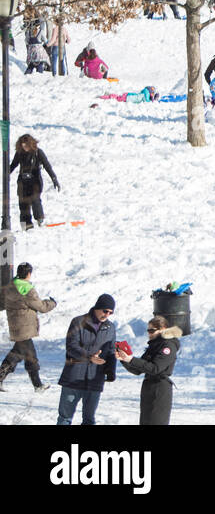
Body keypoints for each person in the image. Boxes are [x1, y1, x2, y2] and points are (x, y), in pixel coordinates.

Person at [57, 293, 116, 425]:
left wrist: (111, 370)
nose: (107, 315)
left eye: (110, 313)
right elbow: (71, 346)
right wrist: (89, 357)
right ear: (97, 307)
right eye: (105, 311)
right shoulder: (78, 322)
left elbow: (111, 351)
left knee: (89, 419)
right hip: (73, 377)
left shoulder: (110, 327)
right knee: (65, 417)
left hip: (95, 378)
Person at [114, 315, 182, 425]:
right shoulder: (155, 345)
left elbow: (155, 368)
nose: (149, 333)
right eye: (148, 330)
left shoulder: (168, 345)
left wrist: (131, 359)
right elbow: (138, 370)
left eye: (152, 330)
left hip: (160, 388)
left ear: (163, 329)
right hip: (149, 387)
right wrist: (124, 359)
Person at [0, 262, 56, 392]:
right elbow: (42, 307)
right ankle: (37, 385)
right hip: (25, 328)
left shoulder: (9, 287)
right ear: (29, 274)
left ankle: (36, 385)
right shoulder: (27, 290)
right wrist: (52, 303)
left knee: (17, 354)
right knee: (31, 357)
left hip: (15, 326)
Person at [9, 133, 59, 231]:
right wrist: (6, 174)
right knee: (22, 203)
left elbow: (47, 166)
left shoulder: (38, 152)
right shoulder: (19, 153)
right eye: (23, 146)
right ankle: (25, 225)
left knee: (35, 200)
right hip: (23, 182)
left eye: (26, 146)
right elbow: (13, 165)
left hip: (35, 181)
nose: (25, 148)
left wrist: (54, 179)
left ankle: (40, 219)